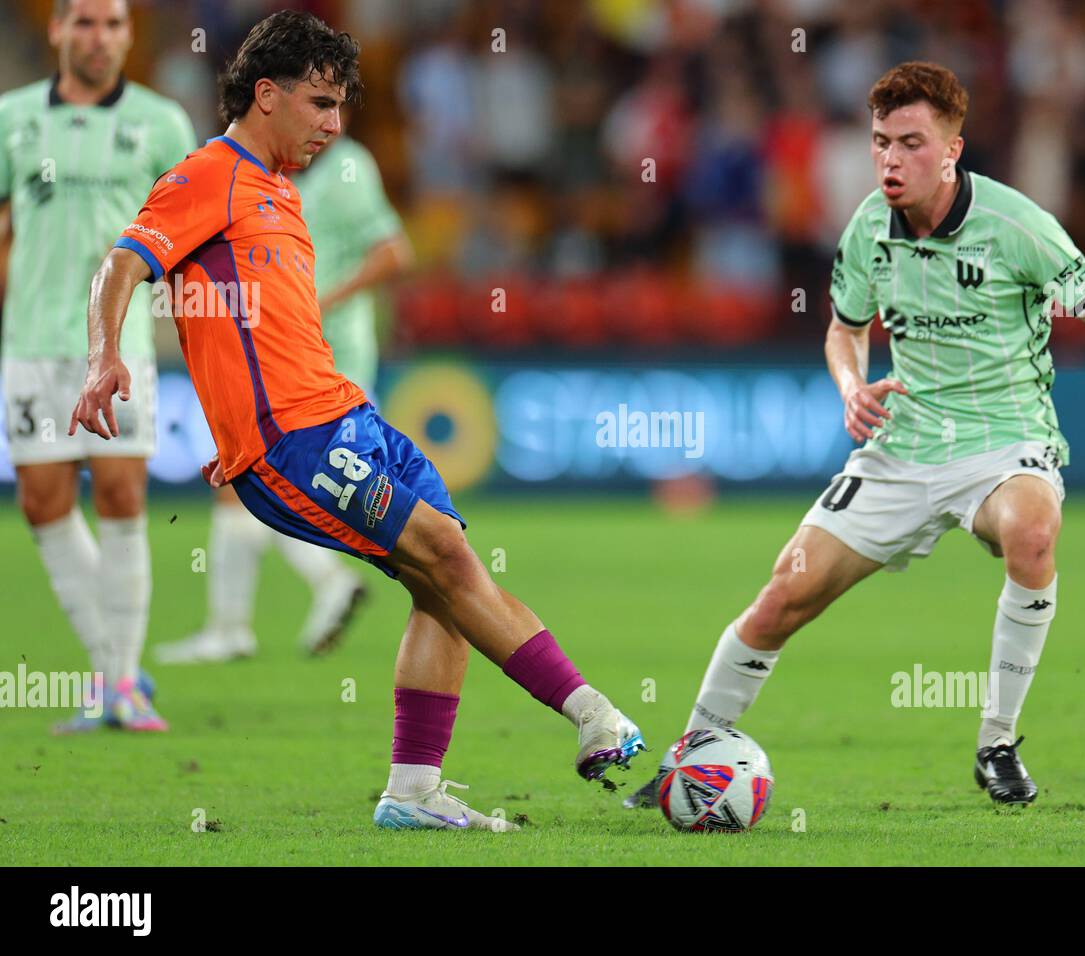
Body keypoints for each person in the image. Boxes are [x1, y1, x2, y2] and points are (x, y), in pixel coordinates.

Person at [70, 10, 645, 832]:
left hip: (350, 417)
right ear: (265, 95)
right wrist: (106, 358)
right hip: (293, 439)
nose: (334, 125)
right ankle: (593, 715)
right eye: (319, 103)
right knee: (446, 556)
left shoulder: (281, 193)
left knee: (445, 587)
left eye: (341, 106)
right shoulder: (210, 175)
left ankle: (413, 793)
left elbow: (259, 327)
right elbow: (124, 263)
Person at [624, 61, 1085, 809]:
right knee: (783, 596)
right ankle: (690, 751)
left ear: (952, 150)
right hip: (903, 445)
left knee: (1033, 532)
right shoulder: (864, 230)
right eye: (880, 141)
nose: (889, 158)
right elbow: (843, 331)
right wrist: (852, 387)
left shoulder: (1017, 226)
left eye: (910, 142)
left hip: (1006, 436)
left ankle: (997, 742)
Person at [0, 0, 194, 732]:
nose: (98, 37)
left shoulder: (162, 123)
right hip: (30, 342)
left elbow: (189, 233)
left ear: (129, 34)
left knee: (120, 497)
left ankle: (117, 687)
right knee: (43, 505)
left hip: (119, 348)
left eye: (112, 23)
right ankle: (117, 673)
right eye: (82, 22)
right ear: (54, 31)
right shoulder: (12, 118)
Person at [155, 127, 412, 663]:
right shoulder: (273, 181)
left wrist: (324, 301)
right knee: (250, 481)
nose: (325, 123)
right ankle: (238, 623)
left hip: (328, 360)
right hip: (287, 355)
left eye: (331, 106)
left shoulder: (348, 169)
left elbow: (394, 252)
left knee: (257, 479)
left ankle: (308, 592)